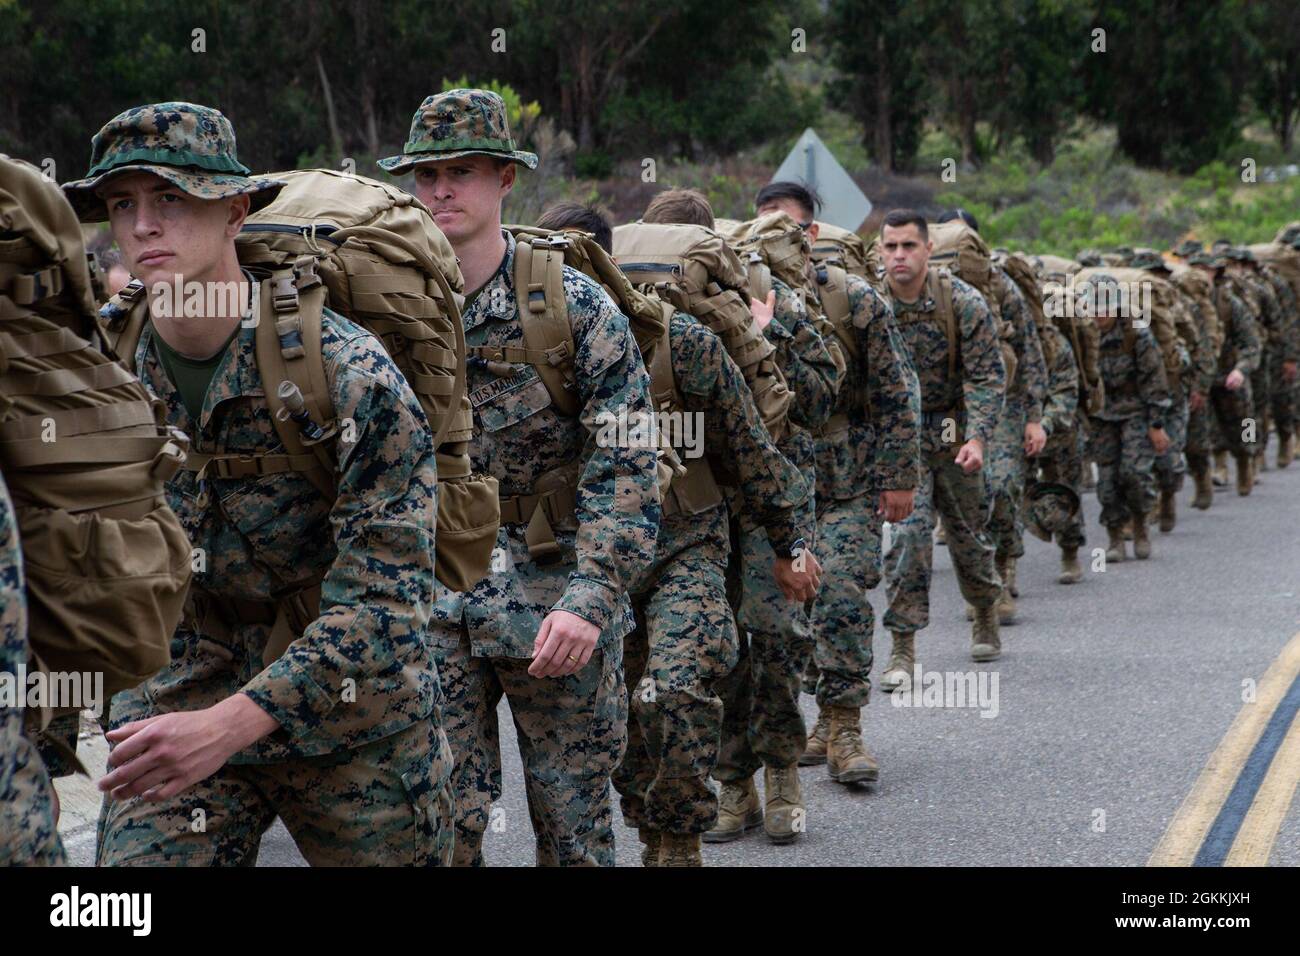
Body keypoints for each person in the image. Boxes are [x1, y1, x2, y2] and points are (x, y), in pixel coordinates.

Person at [67, 102, 456, 866]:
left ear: (235, 210)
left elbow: (389, 606)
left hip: (354, 714)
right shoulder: (98, 377)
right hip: (179, 697)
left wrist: (236, 722)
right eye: (123, 205)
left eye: (171, 198)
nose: (143, 225)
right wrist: (42, 754)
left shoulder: (348, 375)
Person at [381, 89, 661, 866]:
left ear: (505, 179)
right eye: (426, 173)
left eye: (461, 171)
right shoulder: (387, 311)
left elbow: (629, 464)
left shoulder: (572, 306)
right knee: (439, 823)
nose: (440, 190)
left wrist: (593, 598)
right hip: (435, 596)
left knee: (574, 830)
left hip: (554, 595)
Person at [536, 200, 821, 864]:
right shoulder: (536, 357)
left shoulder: (683, 345)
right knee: (626, 720)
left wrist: (791, 542)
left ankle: (684, 833)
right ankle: (651, 827)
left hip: (685, 546)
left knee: (682, 687)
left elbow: (752, 456)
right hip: (591, 565)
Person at [876, 210, 1007, 662]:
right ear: (879, 250)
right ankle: (903, 646)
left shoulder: (963, 302)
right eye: (891, 246)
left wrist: (978, 438)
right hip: (899, 442)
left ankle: (985, 609)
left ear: (928, 249)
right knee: (908, 541)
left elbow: (988, 377)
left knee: (969, 539)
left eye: (909, 246)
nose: (899, 256)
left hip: (953, 435)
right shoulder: (868, 303)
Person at [1078, 274, 1171, 562]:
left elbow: (1155, 381)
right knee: (1106, 480)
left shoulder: (1136, 334)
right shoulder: (1083, 336)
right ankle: (1115, 537)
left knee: (1134, 473)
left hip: (1135, 412)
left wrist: (1156, 425)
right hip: (1101, 417)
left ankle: (1141, 524)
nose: (1099, 314)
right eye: (1094, 308)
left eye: (1104, 307)